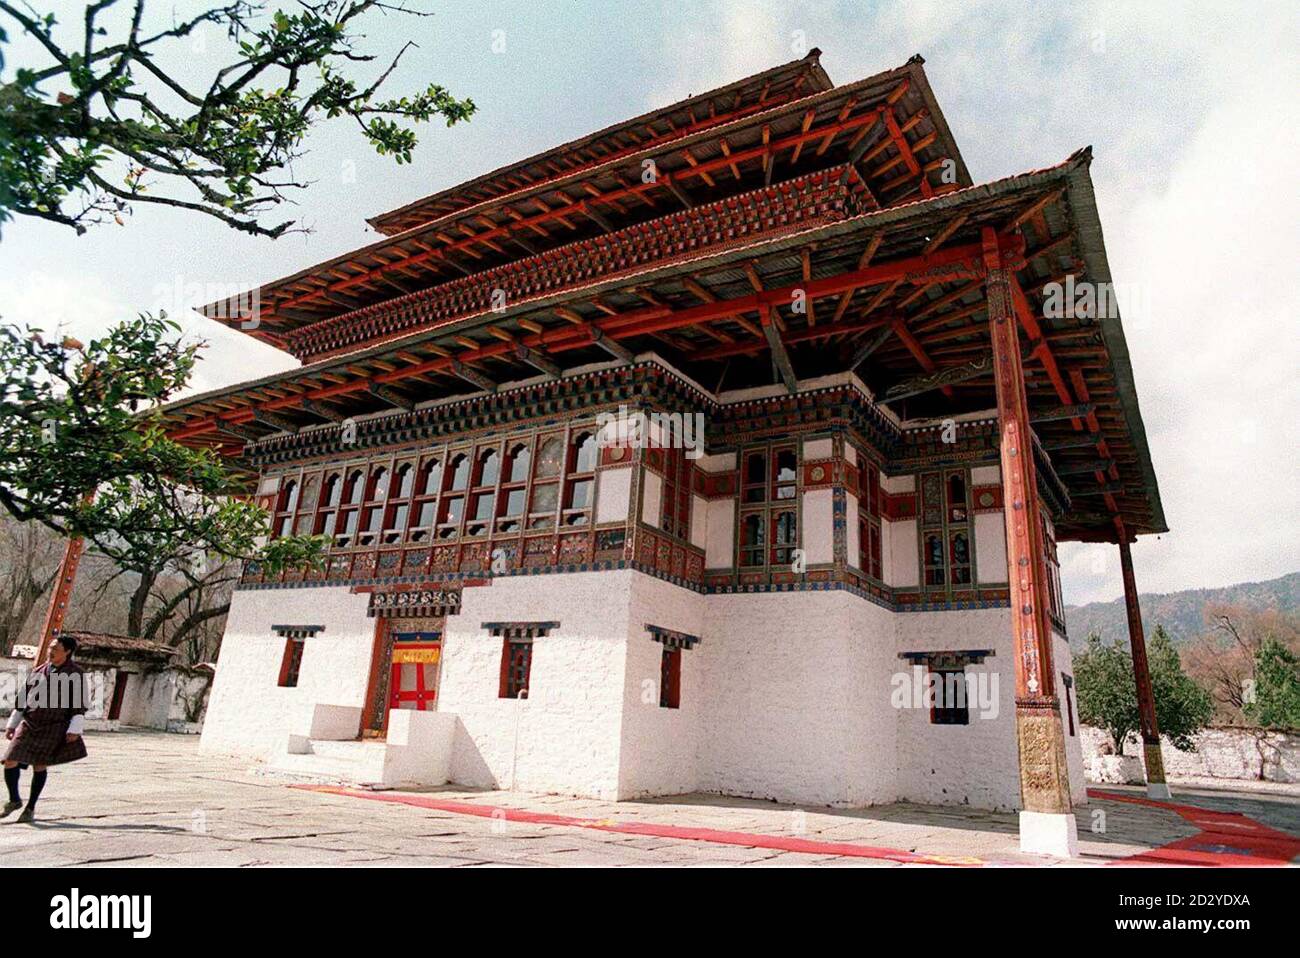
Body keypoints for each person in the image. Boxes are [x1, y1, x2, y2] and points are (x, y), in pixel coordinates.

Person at [3, 635, 88, 823]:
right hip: (30, 722)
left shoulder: (75, 674)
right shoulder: (39, 670)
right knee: (9, 759)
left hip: (53, 725)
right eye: (50, 648)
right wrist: (12, 724)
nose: (50, 652)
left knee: (39, 765)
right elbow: (23, 699)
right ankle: (14, 799)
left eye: (55, 649)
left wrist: (74, 729)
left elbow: (79, 705)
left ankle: (30, 807)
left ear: (67, 651)